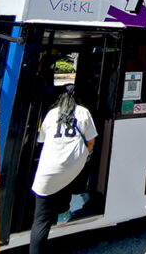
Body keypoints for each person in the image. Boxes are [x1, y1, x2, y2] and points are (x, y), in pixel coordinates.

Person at [30, 84, 97, 254]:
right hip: (74, 165)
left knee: (40, 221)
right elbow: (91, 142)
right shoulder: (84, 112)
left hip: (49, 170)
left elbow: (42, 140)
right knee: (69, 175)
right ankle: (63, 211)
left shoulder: (52, 113)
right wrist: (86, 155)